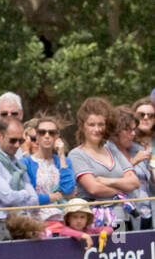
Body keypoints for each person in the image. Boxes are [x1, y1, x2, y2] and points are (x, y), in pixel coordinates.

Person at [67, 97, 139, 231]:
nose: (97, 129)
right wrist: (122, 193)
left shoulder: (111, 148)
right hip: (96, 223)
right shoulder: (76, 154)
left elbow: (134, 182)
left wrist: (106, 181)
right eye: (92, 124)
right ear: (83, 126)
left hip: (122, 219)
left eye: (101, 124)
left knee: (123, 249)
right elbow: (94, 188)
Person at [0, 117, 44, 241]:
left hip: (25, 225)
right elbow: (8, 198)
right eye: (12, 140)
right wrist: (25, 194)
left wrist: (23, 198)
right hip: (2, 227)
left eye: (20, 140)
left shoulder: (18, 165)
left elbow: (35, 202)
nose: (17, 145)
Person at [20, 117, 74, 224]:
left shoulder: (64, 161)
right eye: (42, 132)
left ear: (57, 136)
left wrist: (62, 155)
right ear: (37, 135)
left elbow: (69, 189)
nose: (47, 136)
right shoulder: (26, 163)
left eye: (52, 133)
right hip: (37, 221)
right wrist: (58, 196)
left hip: (63, 219)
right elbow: (29, 197)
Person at [111, 104, 152, 229]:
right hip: (119, 216)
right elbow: (109, 179)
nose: (133, 134)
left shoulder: (138, 149)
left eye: (134, 129)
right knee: (122, 247)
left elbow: (149, 185)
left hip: (146, 213)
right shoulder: (106, 151)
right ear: (116, 130)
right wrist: (134, 162)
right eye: (129, 130)